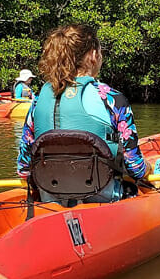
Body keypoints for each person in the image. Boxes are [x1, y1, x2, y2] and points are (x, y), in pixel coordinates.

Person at [16, 24, 151, 205]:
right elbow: (135, 167)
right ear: (93, 55)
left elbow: (23, 168)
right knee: (142, 182)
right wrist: (148, 170)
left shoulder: (38, 100)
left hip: (50, 195)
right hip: (103, 195)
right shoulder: (111, 98)